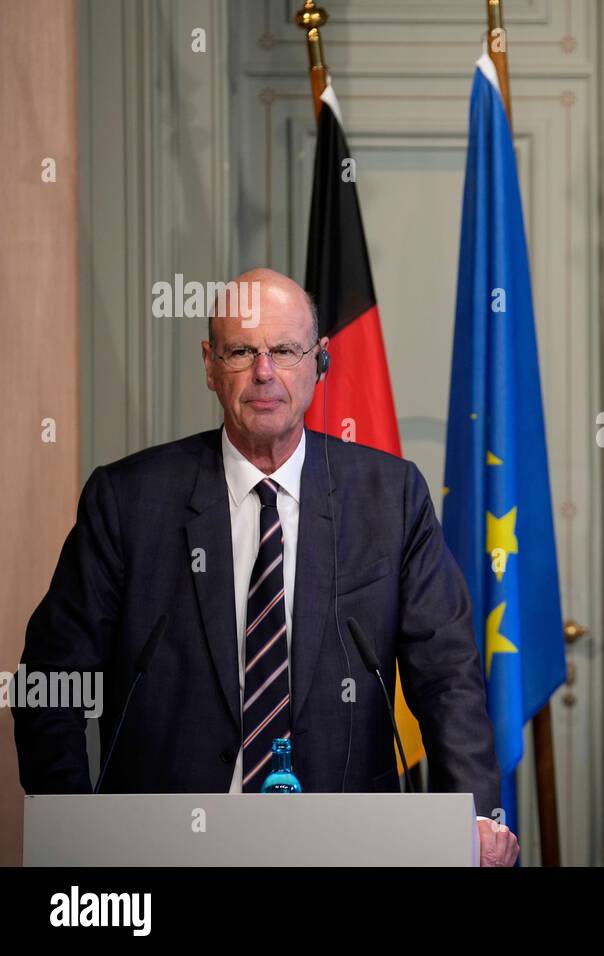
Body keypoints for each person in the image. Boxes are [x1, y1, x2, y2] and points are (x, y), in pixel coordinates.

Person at [15, 267, 519, 865]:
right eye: (241, 351)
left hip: (351, 844)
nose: (263, 372)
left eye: (284, 350)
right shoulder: (127, 501)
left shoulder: (391, 496)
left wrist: (475, 821)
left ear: (319, 361)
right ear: (209, 363)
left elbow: (449, 678)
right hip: (167, 847)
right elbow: (51, 679)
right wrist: (73, 824)